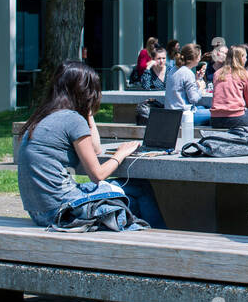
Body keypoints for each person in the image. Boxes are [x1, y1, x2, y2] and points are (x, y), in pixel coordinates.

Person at [16, 61, 164, 228]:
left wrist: (87, 113)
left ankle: (136, 235)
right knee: (140, 187)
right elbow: (97, 175)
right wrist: (121, 153)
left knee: (129, 200)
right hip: (63, 209)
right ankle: (161, 236)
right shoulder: (72, 119)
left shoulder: (42, 117)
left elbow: (96, 149)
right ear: (85, 91)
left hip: (39, 212)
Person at [210, 46, 248, 128]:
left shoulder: (217, 73)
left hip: (215, 120)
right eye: (245, 56)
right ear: (241, 57)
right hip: (236, 119)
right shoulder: (244, 74)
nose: (246, 59)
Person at [164, 43, 211, 124]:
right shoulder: (187, 73)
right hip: (184, 116)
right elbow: (194, 99)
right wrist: (201, 88)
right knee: (216, 113)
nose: (200, 58)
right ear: (195, 58)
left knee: (203, 107)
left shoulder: (173, 69)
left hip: (171, 113)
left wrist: (196, 79)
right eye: (199, 56)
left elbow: (181, 87)